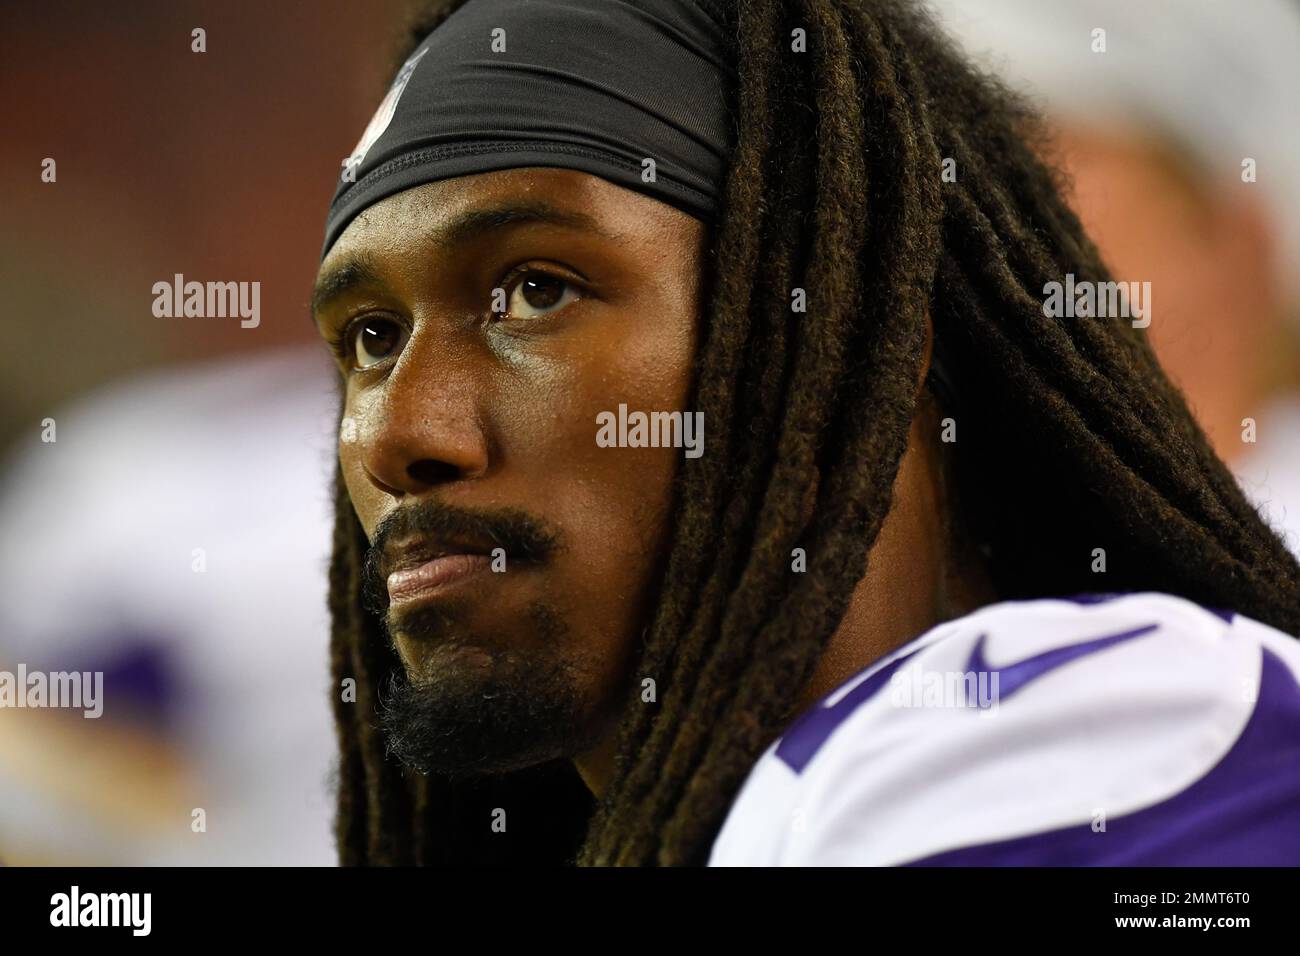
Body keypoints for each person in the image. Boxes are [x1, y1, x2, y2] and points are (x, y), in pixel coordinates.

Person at [312, 0, 1300, 866]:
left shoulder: (1082, 737)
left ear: (846, 336)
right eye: (371, 338)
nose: (400, 432)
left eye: (536, 291)